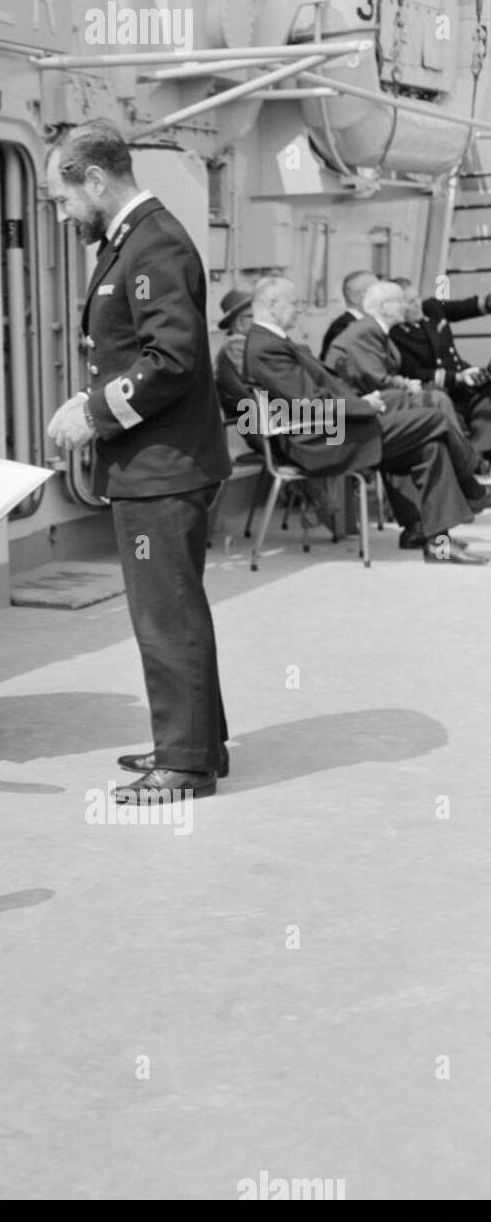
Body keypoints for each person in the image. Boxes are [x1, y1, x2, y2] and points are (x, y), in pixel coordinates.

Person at [45, 118, 231, 803]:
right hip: (158, 461)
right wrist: (93, 397)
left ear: (95, 178)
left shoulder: (151, 243)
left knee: (165, 615)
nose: (64, 215)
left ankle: (183, 765)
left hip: (162, 467)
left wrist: (93, 413)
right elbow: (138, 353)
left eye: (64, 199)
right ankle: (196, 744)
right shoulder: (135, 239)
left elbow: (171, 360)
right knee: (177, 608)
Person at [245, 275, 488, 564]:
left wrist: (365, 404)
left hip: (333, 431)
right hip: (322, 441)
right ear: (273, 305)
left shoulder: (272, 341)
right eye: (294, 303)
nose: (298, 309)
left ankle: (438, 543)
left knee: (429, 448)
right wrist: (364, 406)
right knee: (433, 418)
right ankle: (473, 486)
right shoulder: (265, 347)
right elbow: (310, 403)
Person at [389, 277, 491, 463]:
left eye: (417, 297)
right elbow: (413, 372)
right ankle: (469, 464)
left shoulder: (432, 307)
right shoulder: (394, 334)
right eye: (411, 302)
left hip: (466, 380)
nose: (418, 305)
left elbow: (471, 306)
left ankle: (482, 454)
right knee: (442, 403)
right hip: (439, 387)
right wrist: (457, 378)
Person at [213, 288, 255, 425]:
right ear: (238, 321)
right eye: (252, 315)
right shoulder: (235, 348)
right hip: (260, 424)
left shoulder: (243, 345)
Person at [320, 270, 377, 360]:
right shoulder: (344, 327)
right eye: (376, 291)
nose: (382, 296)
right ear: (355, 297)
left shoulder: (366, 324)